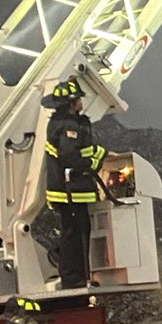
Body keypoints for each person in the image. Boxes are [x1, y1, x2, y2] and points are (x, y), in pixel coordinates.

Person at [42, 79, 107, 290]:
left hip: (71, 190)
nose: (81, 102)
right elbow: (70, 157)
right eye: (78, 99)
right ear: (71, 104)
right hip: (70, 190)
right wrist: (95, 162)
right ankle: (73, 278)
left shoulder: (64, 124)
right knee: (75, 233)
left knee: (76, 231)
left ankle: (73, 272)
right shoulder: (68, 127)